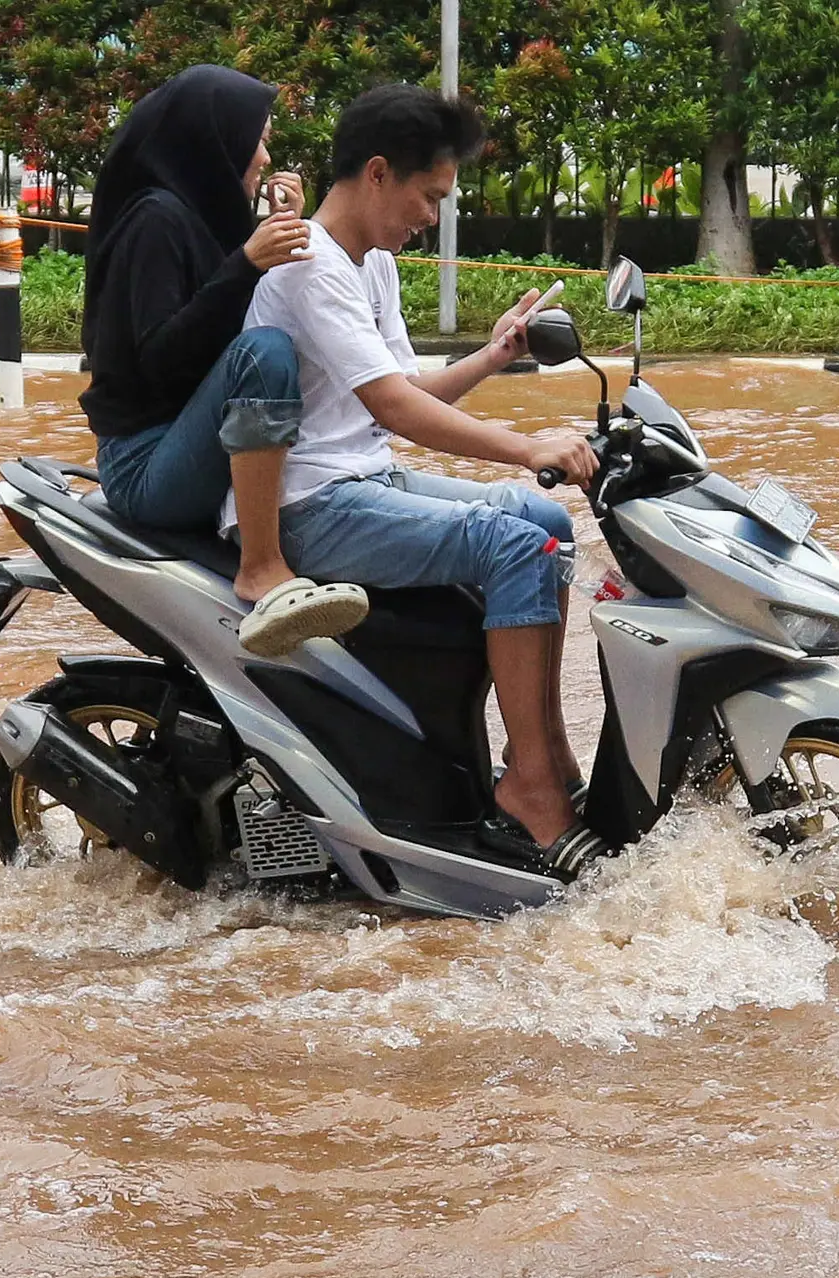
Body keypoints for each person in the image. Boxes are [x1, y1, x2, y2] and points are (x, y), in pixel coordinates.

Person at [233, 83, 606, 876]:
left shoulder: (371, 265)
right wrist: (525, 446)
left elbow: (402, 390)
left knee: (546, 526)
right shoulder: (309, 267)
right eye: (428, 195)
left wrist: (494, 354)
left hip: (368, 478)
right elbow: (395, 407)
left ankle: (545, 757)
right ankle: (531, 790)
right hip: (311, 505)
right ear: (377, 173)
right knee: (517, 548)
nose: (431, 217)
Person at [79, 64, 369, 656]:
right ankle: (260, 566)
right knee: (265, 353)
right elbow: (159, 360)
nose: (264, 157)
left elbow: (249, 308)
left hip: (188, 442)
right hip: (144, 462)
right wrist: (246, 262)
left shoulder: (202, 217)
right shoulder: (154, 221)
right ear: (214, 143)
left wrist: (276, 230)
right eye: (255, 140)